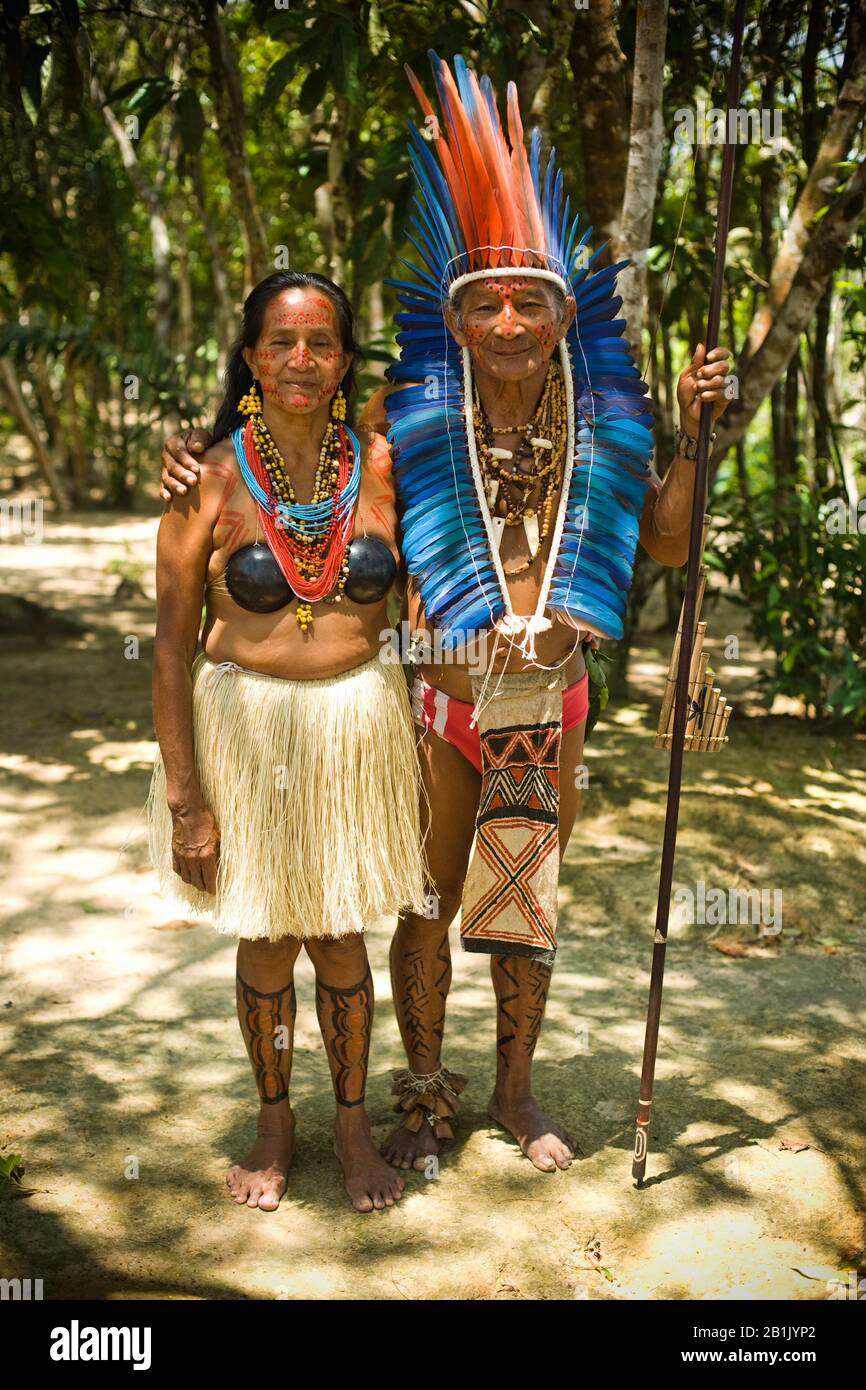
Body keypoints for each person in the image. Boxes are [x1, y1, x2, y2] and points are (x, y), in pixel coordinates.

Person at [160, 55, 731, 1180]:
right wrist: (191, 451)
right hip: (439, 700)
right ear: (455, 318)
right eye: (485, 301)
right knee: (419, 900)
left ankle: (513, 1091)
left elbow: (663, 540)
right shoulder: (406, 417)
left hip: (550, 699)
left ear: (563, 311)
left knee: (523, 905)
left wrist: (699, 438)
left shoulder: (610, 413)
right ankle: (420, 1096)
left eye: (529, 300)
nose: (508, 319)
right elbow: (294, 452)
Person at [148, 269, 427, 1214]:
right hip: (248, 733)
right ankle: (276, 1124)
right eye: (282, 341)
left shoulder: (385, 465)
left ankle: (351, 1129)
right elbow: (169, 653)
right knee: (268, 943)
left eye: (321, 343)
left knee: (343, 937)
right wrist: (189, 803)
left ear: (346, 361)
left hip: (356, 731)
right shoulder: (208, 481)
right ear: (252, 358)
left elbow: (490, 427)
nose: (301, 359)